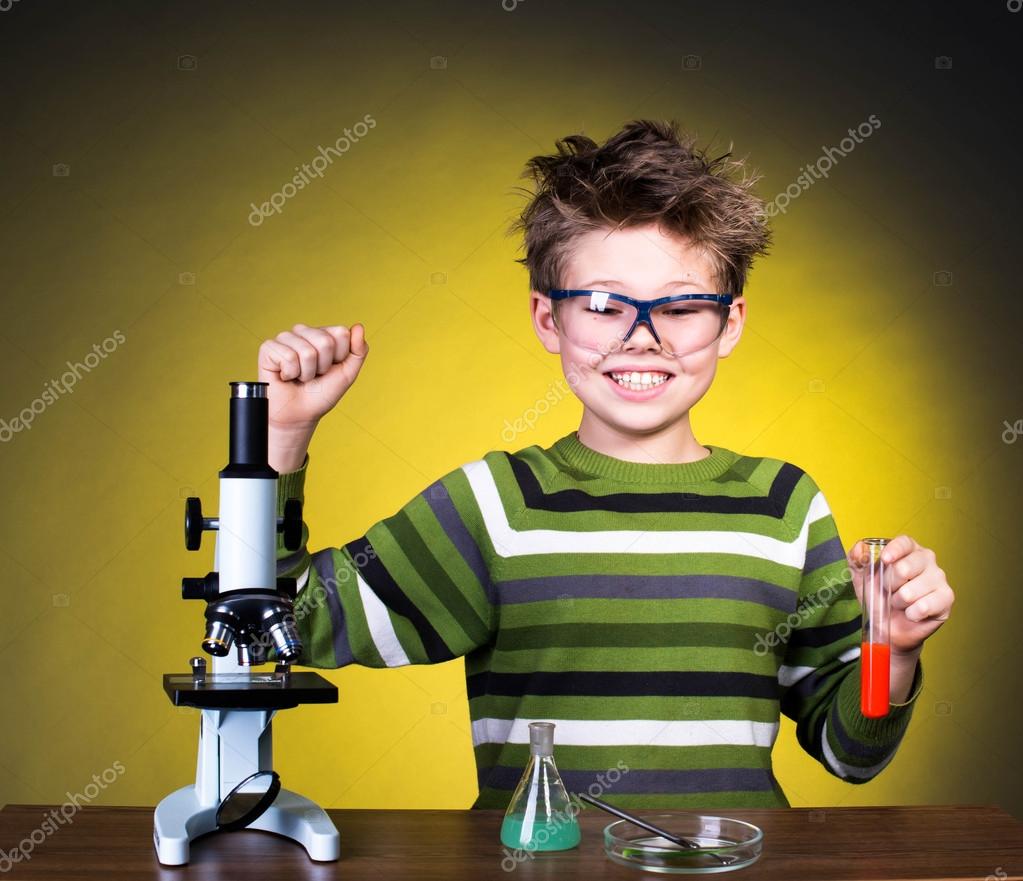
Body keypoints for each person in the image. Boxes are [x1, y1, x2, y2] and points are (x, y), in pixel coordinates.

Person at [261, 119, 954, 810]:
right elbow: (286, 620)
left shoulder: (785, 505)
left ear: (730, 321)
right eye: (602, 304)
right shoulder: (496, 503)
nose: (641, 337)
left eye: (681, 306)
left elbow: (850, 753)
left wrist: (888, 654)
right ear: (547, 318)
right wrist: (282, 435)